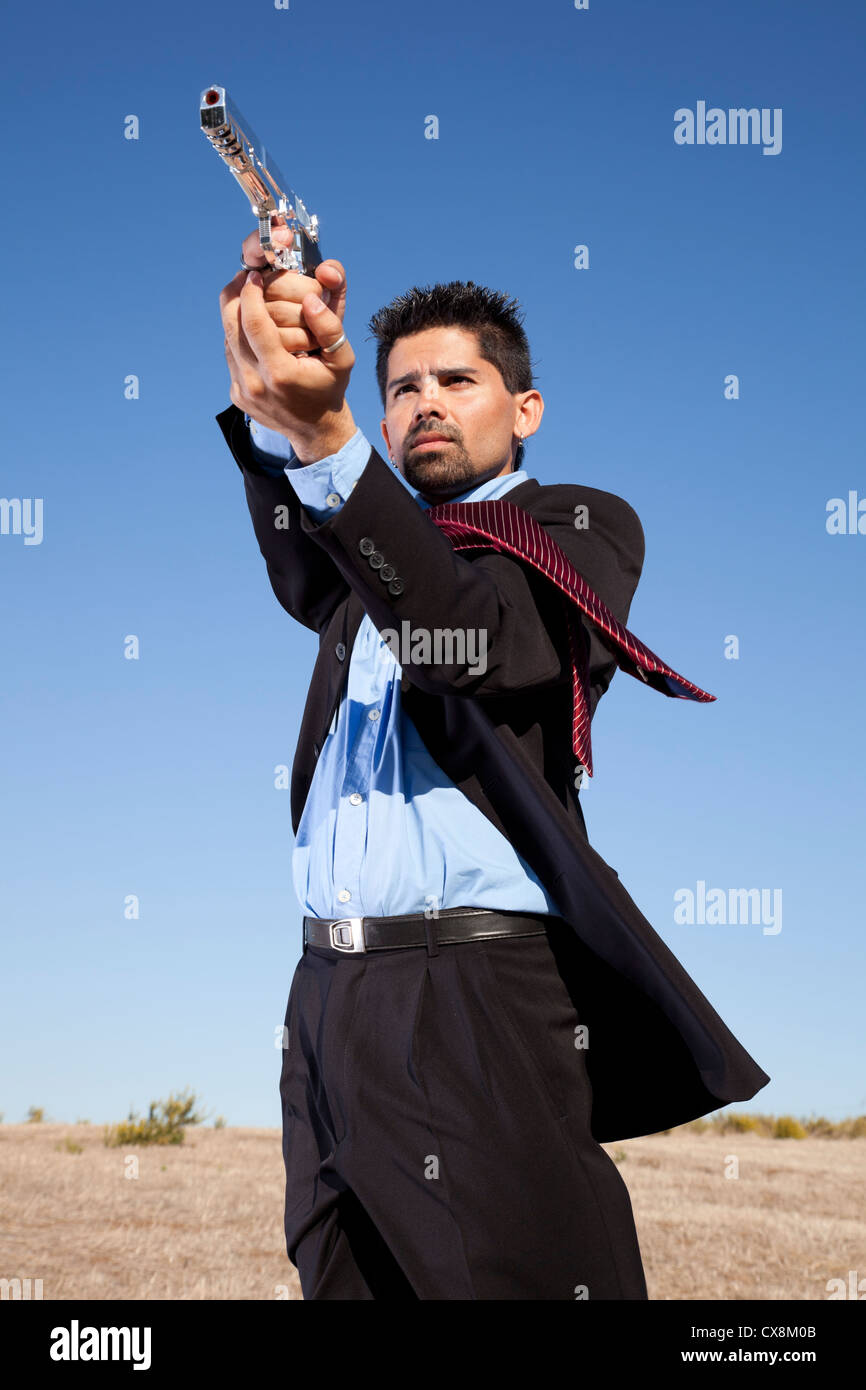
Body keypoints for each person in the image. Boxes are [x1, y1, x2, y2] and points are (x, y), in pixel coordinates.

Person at [216, 227, 770, 1301]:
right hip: (326, 997)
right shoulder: (362, 565)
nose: (422, 399)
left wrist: (327, 439)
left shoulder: (570, 523)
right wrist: (261, 390)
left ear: (523, 409)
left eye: (455, 380)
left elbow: (469, 641)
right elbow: (309, 559)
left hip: (473, 989)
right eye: (398, 386)